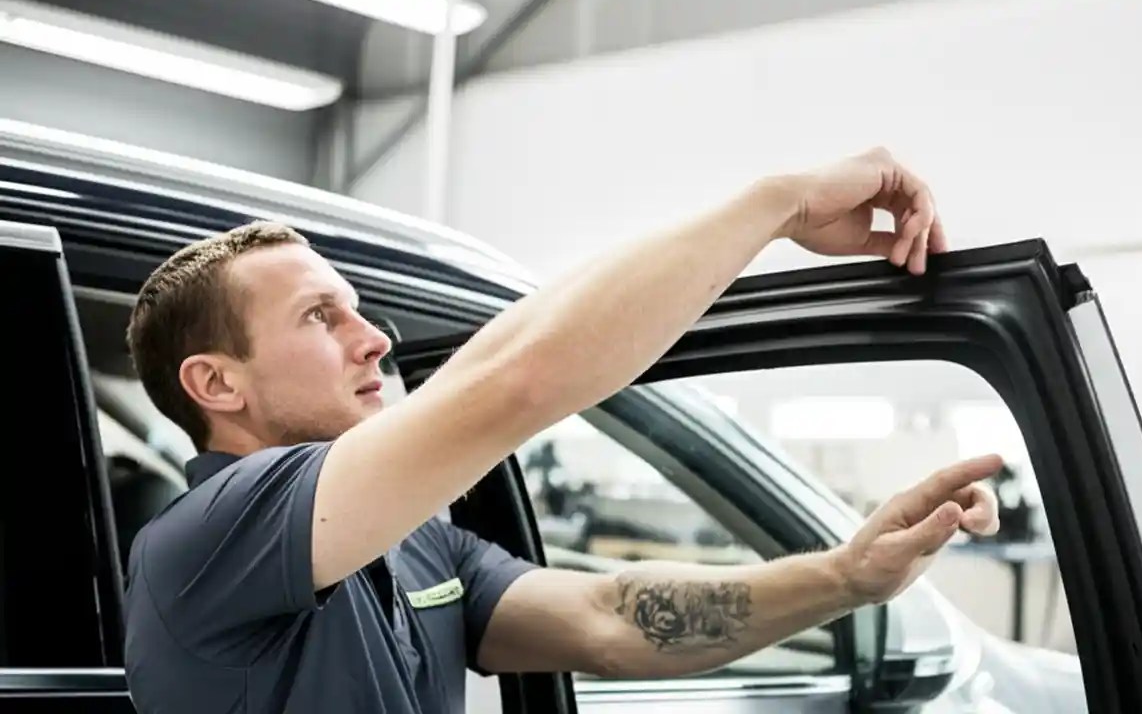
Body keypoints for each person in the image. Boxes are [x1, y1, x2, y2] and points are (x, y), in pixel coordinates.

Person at [120, 146, 1002, 713]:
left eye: (357, 310)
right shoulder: (208, 538)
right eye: (321, 317)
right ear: (215, 384)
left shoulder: (416, 543)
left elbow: (607, 619)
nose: (375, 338)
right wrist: (780, 205)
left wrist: (848, 575)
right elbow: (516, 380)